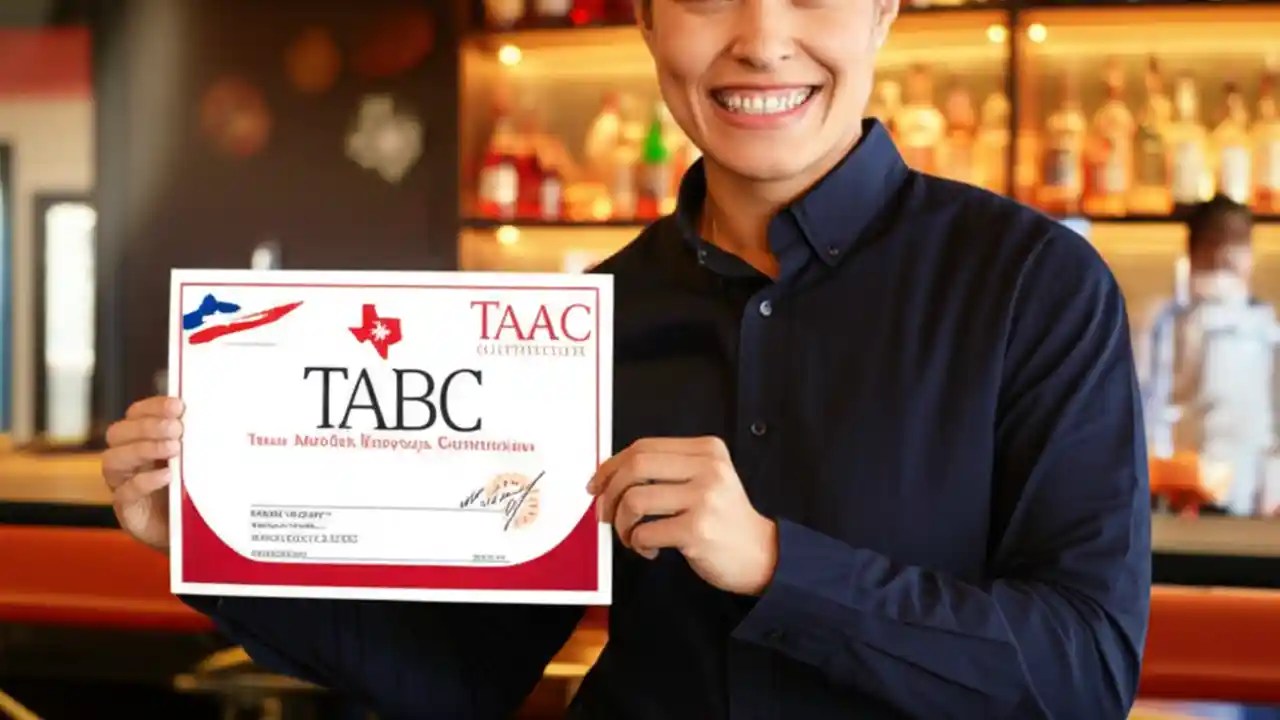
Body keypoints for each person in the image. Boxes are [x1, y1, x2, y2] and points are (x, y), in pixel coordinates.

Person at [101, 0, 1151, 716]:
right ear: (644, 16)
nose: (761, 41)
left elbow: (1081, 672)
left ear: (884, 8)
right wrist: (215, 533)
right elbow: (467, 681)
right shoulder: (580, 318)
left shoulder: (1029, 285)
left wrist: (777, 563)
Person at [1140, 195, 1276, 516]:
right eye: (1215, 241)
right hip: (1179, 501)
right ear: (1193, 250)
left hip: (1251, 501)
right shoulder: (1162, 322)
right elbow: (1147, 409)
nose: (1224, 254)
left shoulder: (1268, 328)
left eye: (1238, 243)